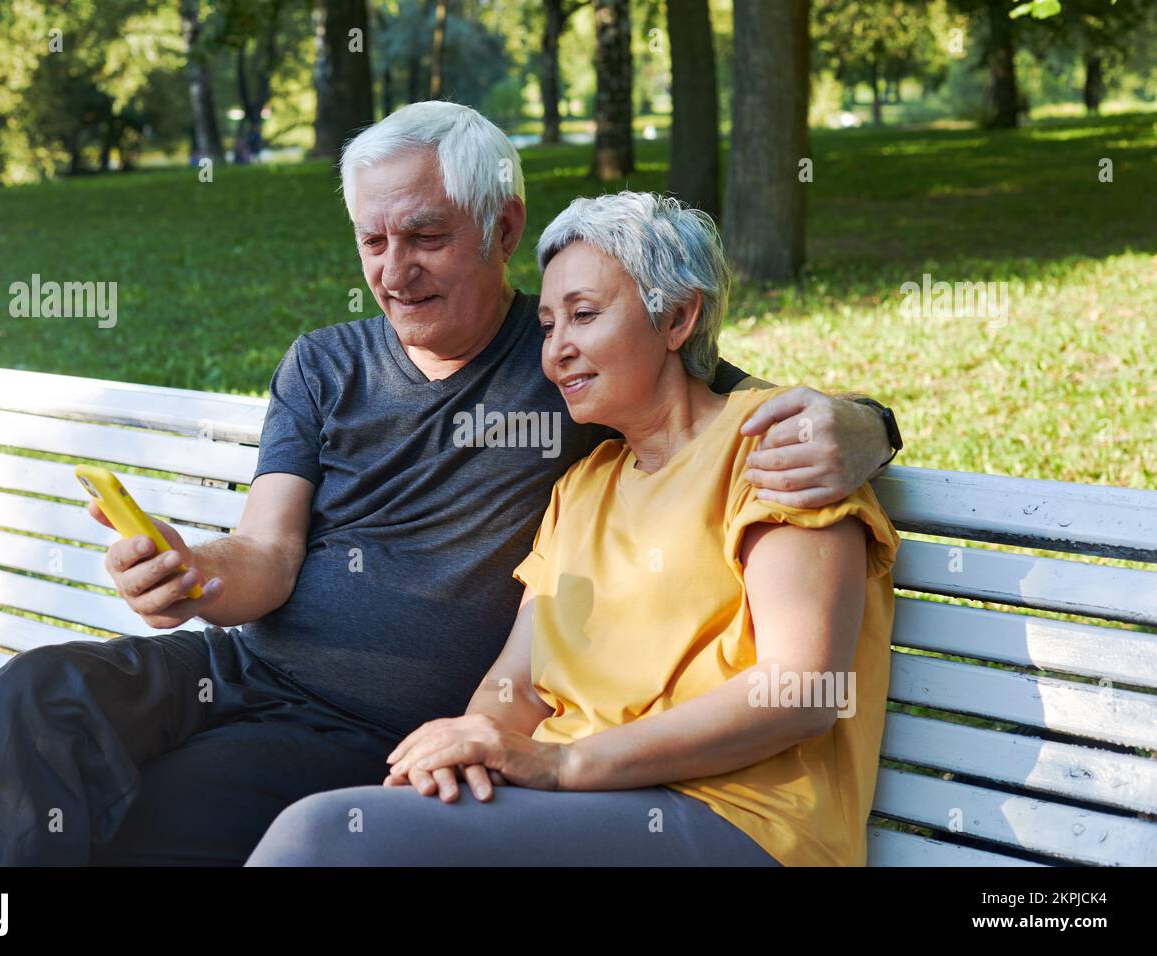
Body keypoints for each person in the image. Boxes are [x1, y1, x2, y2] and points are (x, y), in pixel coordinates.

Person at [0, 103, 900, 867]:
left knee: (153, 824)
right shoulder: (341, 370)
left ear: (501, 227)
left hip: (379, 735)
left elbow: (724, 400)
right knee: (37, 690)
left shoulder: (589, 381)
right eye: (373, 242)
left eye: (424, 237)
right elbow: (269, 557)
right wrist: (196, 567)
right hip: (252, 671)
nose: (394, 269)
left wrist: (866, 425)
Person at [246, 192, 900, 868]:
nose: (556, 352)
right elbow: (518, 686)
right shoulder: (584, 485)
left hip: (737, 820)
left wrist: (563, 763)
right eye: (549, 325)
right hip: (577, 807)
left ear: (677, 317)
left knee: (321, 838)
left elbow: (800, 692)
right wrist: (475, 745)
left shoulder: (774, 447)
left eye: (584, 316)